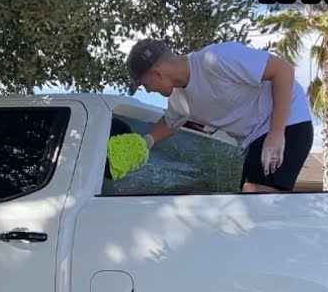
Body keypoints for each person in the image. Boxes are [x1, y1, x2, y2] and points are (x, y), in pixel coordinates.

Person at [123, 38, 314, 193]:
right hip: (254, 141)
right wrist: (143, 143)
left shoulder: (216, 59)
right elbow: (169, 124)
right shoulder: (179, 100)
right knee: (253, 207)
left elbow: (283, 70)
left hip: (287, 123)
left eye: (145, 85)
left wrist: (276, 133)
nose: (148, 91)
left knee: (257, 203)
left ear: (157, 74)